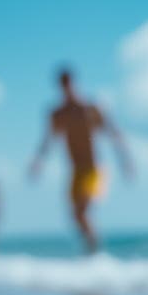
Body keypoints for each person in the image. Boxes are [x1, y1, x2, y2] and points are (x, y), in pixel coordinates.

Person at [29, 69, 132, 252]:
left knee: (81, 212)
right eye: (63, 84)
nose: (67, 88)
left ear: (74, 83)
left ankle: (95, 251)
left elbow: (113, 133)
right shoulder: (58, 114)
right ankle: (92, 251)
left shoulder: (89, 109)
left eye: (68, 83)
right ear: (60, 86)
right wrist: (38, 162)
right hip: (75, 171)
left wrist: (125, 160)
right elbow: (47, 140)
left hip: (94, 169)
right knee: (76, 216)